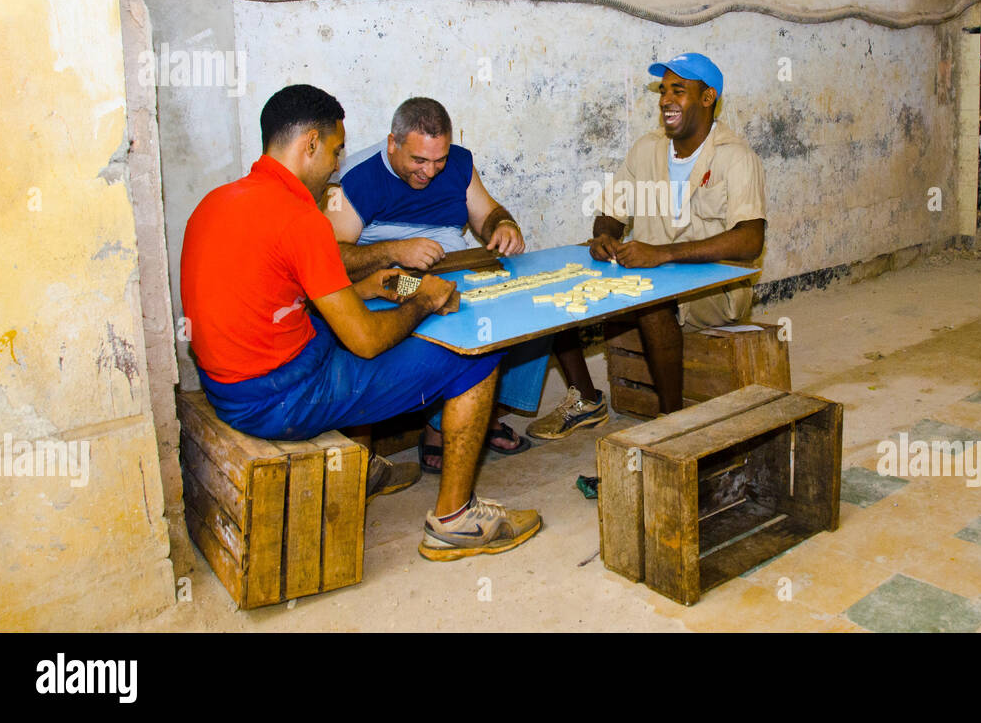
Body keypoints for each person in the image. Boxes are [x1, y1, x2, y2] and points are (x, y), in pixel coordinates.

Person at [180, 84, 540, 560]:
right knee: (479, 355)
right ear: (309, 144)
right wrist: (423, 302)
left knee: (358, 311)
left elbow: (339, 292)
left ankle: (367, 467)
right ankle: (455, 520)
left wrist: (394, 287)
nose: (335, 164)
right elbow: (367, 341)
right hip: (278, 399)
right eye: (333, 150)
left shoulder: (216, 201)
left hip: (227, 383)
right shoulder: (300, 218)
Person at [323, 97, 584, 470]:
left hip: (458, 270)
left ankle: (474, 413)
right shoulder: (355, 178)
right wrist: (396, 250)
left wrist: (503, 226)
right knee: (451, 319)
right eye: (418, 161)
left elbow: (488, 213)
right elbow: (332, 257)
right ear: (393, 143)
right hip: (397, 285)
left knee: (533, 308)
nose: (429, 172)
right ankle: (447, 423)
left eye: (438, 160)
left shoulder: (459, 163)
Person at [528, 52, 766, 433]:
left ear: (708, 99)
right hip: (649, 274)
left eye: (679, 90)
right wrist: (604, 236)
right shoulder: (647, 148)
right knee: (561, 287)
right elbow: (612, 211)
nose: (666, 99)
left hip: (711, 292)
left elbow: (751, 240)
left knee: (651, 306)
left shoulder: (735, 157)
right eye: (663, 90)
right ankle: (587, 400)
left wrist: (664, 254)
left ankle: (672, 422)